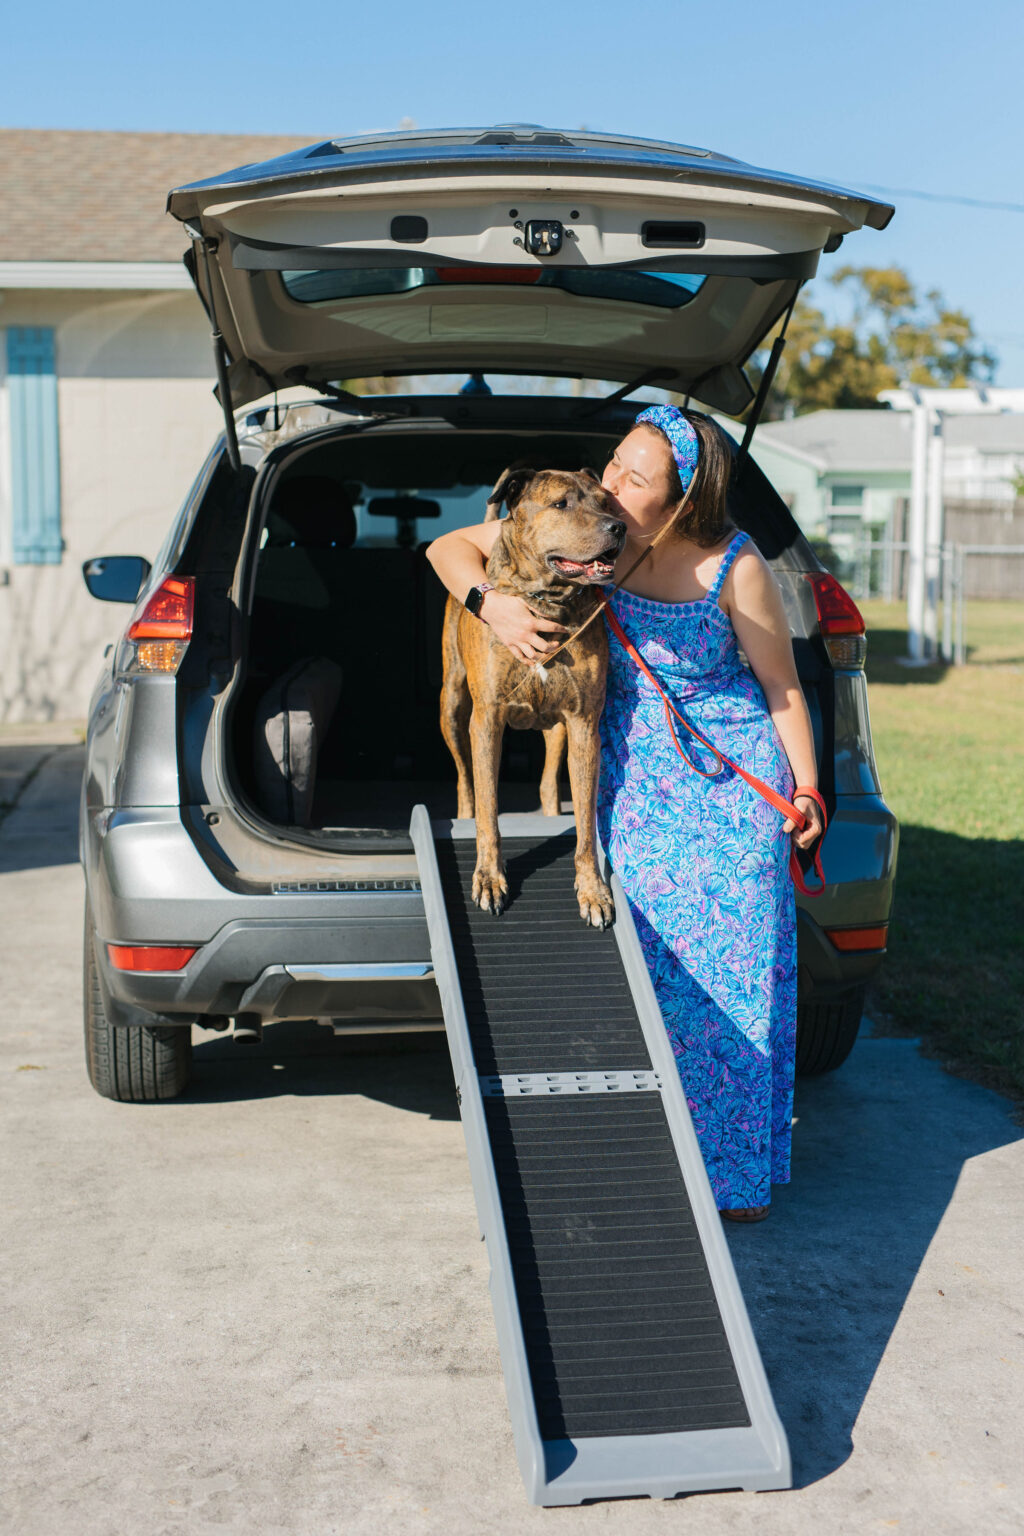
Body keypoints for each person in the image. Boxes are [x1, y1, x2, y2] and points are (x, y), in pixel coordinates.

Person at [426, 405, 824, 1221]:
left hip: (730, 787)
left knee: (735, 992)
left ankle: (734, 1182)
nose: (607, 485)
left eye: (633, 478)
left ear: (680, 500)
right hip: (636, 788)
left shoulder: (734, 564)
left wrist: (811, 789)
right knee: (646, 984)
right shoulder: (584, 540)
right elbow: (446, 548)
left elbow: (783, 687)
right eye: (613, 464)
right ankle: (652, 1160)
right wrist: (492, 604)